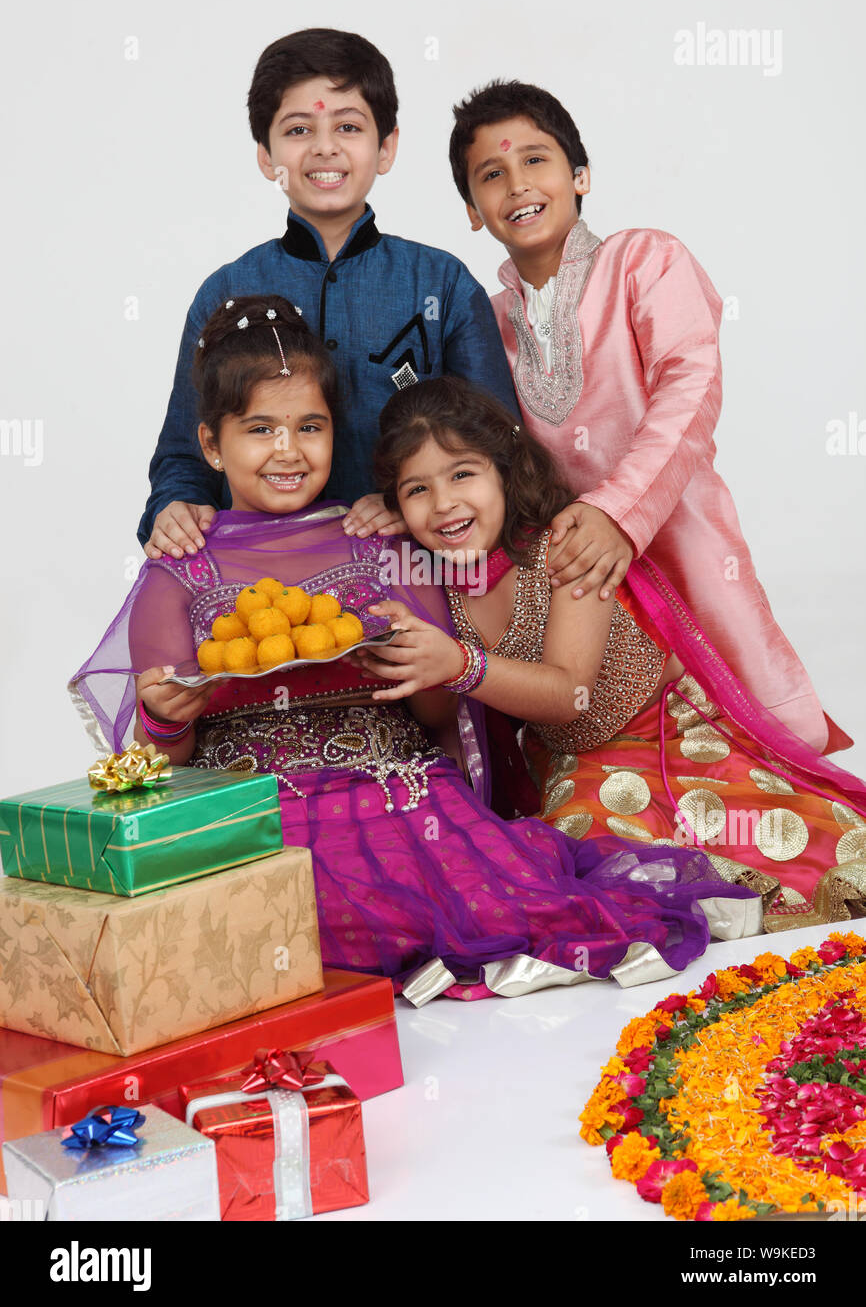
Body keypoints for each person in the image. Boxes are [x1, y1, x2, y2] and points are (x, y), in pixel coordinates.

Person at [71, 299, 760, 1006]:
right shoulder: (178, 564)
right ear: (212, 447)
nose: (288, 450)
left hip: (394, 792)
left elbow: (437, 711)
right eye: (260, 430)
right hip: (252, 807)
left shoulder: (382, 543)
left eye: (310, 427)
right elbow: (161, 769)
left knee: (484, 905)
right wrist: (167, 719)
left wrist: (410, 662)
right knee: (254, 926)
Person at [361, 377, 866, 934]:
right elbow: (439, 716)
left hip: (672, 740)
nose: (444, 503)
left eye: (462, 474)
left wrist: (459, 664)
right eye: (416, 490)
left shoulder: (566, 546)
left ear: (504, 472)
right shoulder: (438, 587)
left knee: (782, 843)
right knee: (579, 854)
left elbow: (566, 693)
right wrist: (410, 653)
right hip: (578, 763)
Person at [447, 79, 849, 755]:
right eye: (492, 174)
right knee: (609, 750)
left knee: (751, 743)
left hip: (680, 537)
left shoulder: (644, 260)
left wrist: (617, 511)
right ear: (472, 210)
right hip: (577, 580)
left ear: (581, 176)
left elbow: (689, 388)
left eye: (536, 161)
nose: (517, 185)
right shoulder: (488, 324)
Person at [137, 28, 518, 561]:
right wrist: (174, 506)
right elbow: (183, 454)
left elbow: (502, 447)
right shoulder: (224, 293)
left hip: (411, 579)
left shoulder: (442, 284)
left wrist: (410, 501)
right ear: (267, 157)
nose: (324, 146)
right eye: (298, 129)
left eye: (348, 126)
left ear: (386, 148)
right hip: (254, 586)